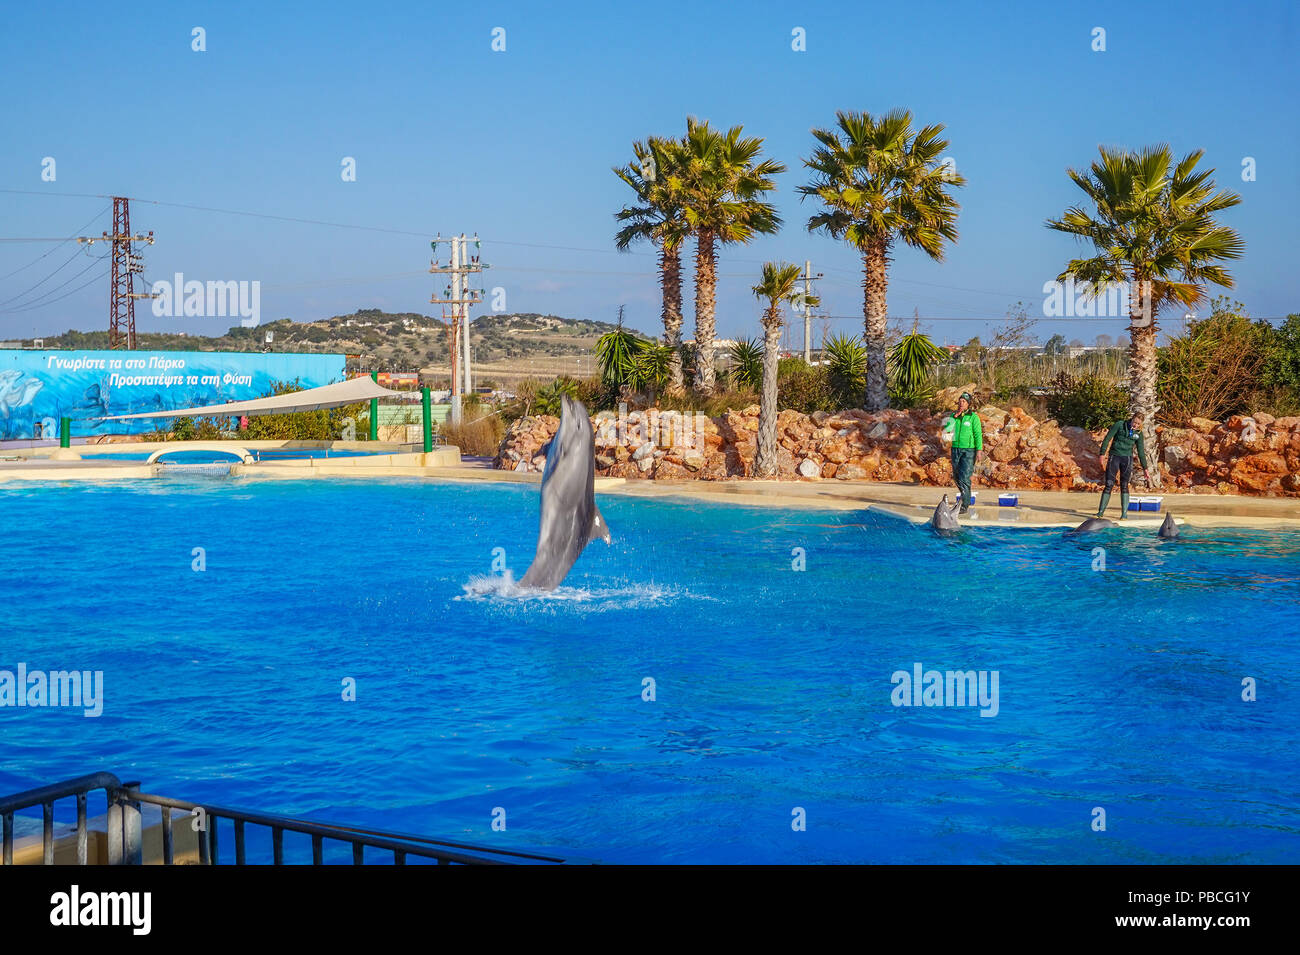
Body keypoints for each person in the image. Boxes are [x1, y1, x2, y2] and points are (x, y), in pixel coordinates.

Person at [1097, 412, 1152, 519]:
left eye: (1138, 424)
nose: (1135, 425)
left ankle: (1124, 514)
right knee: (1109, 484)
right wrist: (1102, 454)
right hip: (1114, 456)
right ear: (1132, 419)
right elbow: (1108, 438)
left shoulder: (1138, 433)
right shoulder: (1120, 425)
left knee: (1124, 485)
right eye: (1134, 422)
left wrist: (1145, 469)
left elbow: (1141, 452)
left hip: (1127, 459)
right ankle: (1100, 512)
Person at [948, 392, 982, 513]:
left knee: (965, 477)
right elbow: (947, 430)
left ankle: (964, 505)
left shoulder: (973, 417)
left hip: (969, 450)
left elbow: (978, 434)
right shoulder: (953, 416)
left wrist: (979, 450)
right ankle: (963, 498)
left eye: (964, 401)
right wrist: (953, 418)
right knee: (957, 477)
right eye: (960, 401)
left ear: (968, 404)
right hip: (955, 448)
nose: (961, 403)